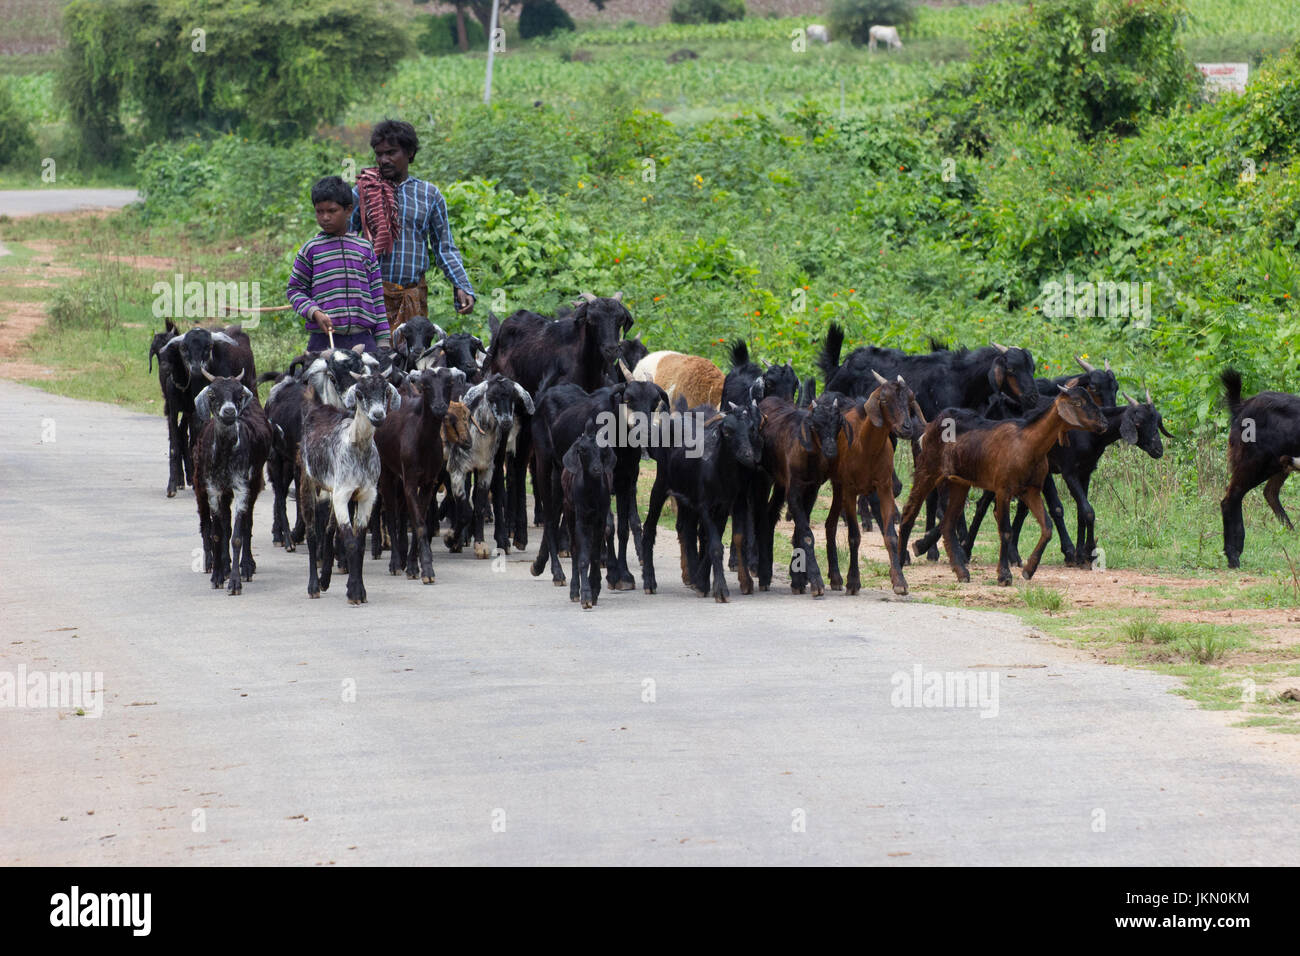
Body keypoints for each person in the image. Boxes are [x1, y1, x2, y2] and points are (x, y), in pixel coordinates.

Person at [352, 119, 475, 330]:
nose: (384, 160)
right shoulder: (362, 192)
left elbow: (444, 248)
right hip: (371, 299)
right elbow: (343, 241)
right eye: (379, 154)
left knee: (414, 359)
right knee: (374, 360)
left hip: (413, 298)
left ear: (410, 153)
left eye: (391, 153)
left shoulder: (429, 195)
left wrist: (461, 285)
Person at [287, 175, 390, 354]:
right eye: (319, 211)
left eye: (332, 211)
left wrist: (383, 340)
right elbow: (295, 290)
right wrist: (314, 312)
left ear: (349, 210)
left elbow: (377, 296)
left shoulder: (364, 248)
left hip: (363, 340)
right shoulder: (310, 250)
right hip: (324, 340)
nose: (325, 217)